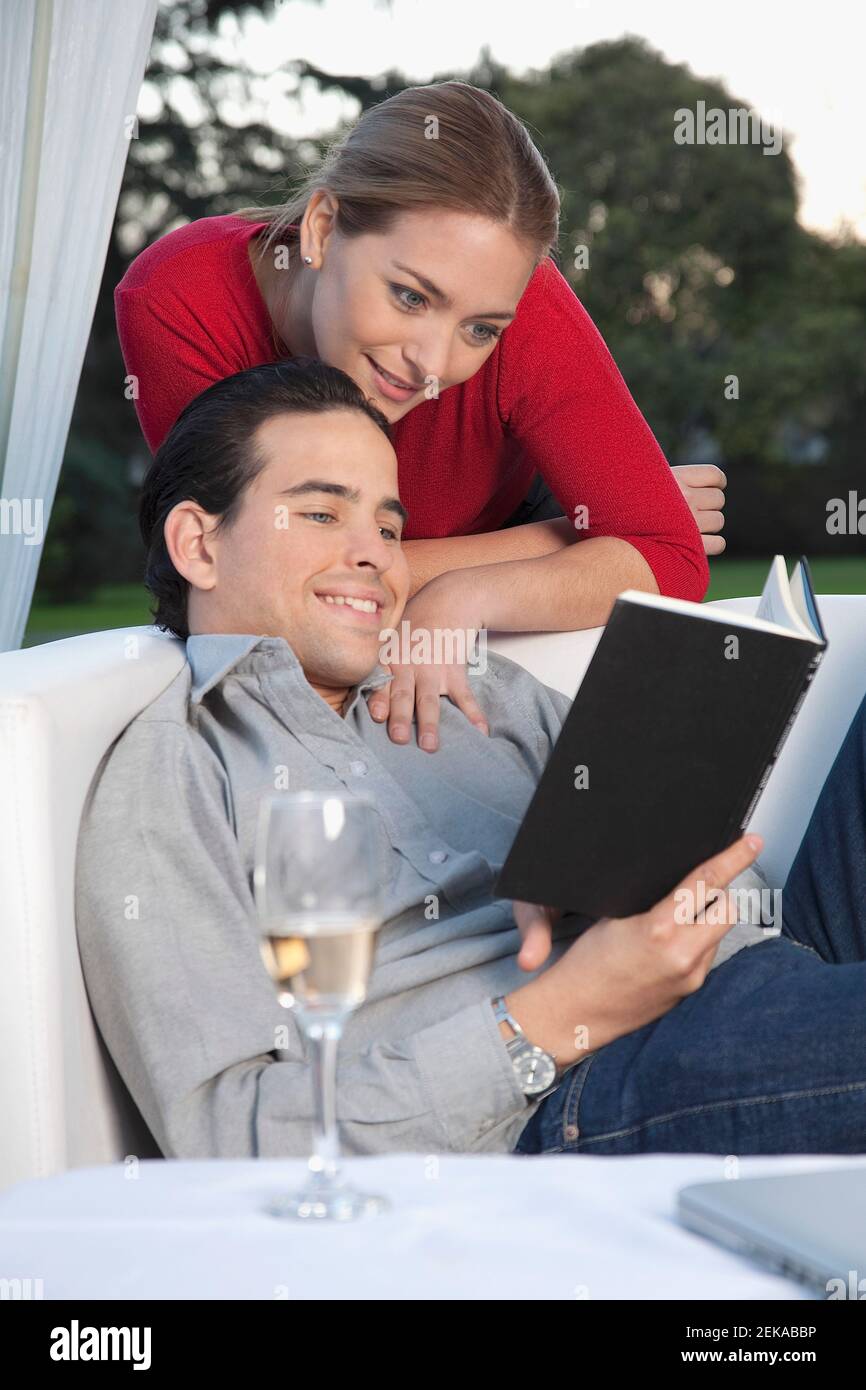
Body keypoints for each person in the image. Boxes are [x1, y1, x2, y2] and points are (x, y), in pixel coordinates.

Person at [77, 358, 866, 1163]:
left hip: (768, 960)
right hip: (580, 1084)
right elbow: (227, 1135)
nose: (378, 558)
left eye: (388, 528)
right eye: (320, 514)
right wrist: (564, 1009)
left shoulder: (462, 678)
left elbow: (714, 866)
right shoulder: (174, 774)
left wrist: (635, 885)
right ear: (198, 544)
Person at [114, 80, 727, 753]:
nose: (432, 363)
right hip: (471, 552)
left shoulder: (533, 311)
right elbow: (238, 576)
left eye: (481, 329)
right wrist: (570, 539)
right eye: (410, 296)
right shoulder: (176, 299)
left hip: (496, 526)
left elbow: (672, 560)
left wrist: (465, 598)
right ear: (321, 228)